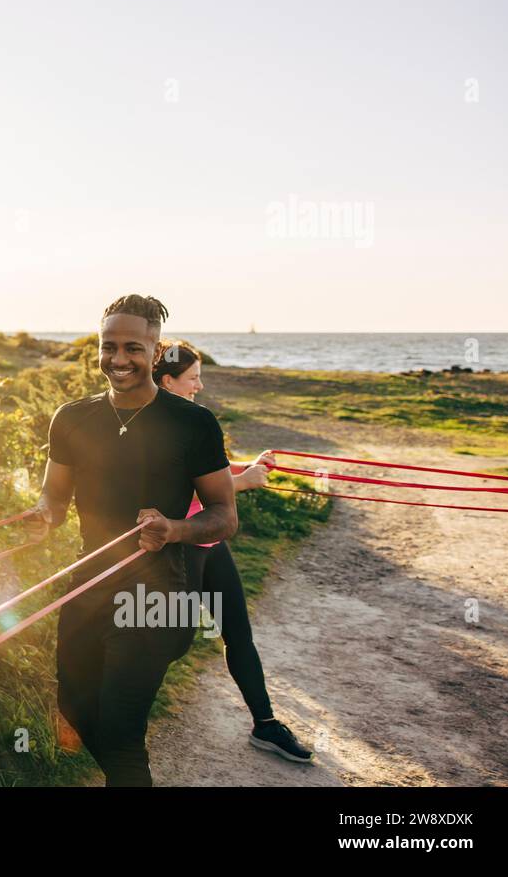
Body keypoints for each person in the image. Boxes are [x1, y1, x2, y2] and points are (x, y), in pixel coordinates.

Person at [27, 295, 237, 786]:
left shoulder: (193, 423)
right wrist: (40, 519)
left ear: (156, 350)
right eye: (108, 347)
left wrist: (177, 529)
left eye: (133, 348)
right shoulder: (72, 418)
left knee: (121, 733)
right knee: (74, 710)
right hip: (87, 584)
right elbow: (53, 501)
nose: (118, 360)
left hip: (158, 594)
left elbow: (225, 516)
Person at [153, 339, 313, 763]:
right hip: (182, 549)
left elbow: (214, 475)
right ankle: (107, 708)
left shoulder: (195, 422)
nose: (200, 386)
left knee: (238, 634)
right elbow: (192, 490)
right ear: (168, 382)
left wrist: (246, 469)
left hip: (211, 546)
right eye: (193, 378)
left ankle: (266, 724)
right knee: (174, 643)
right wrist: (245, 481)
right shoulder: (159, 427)